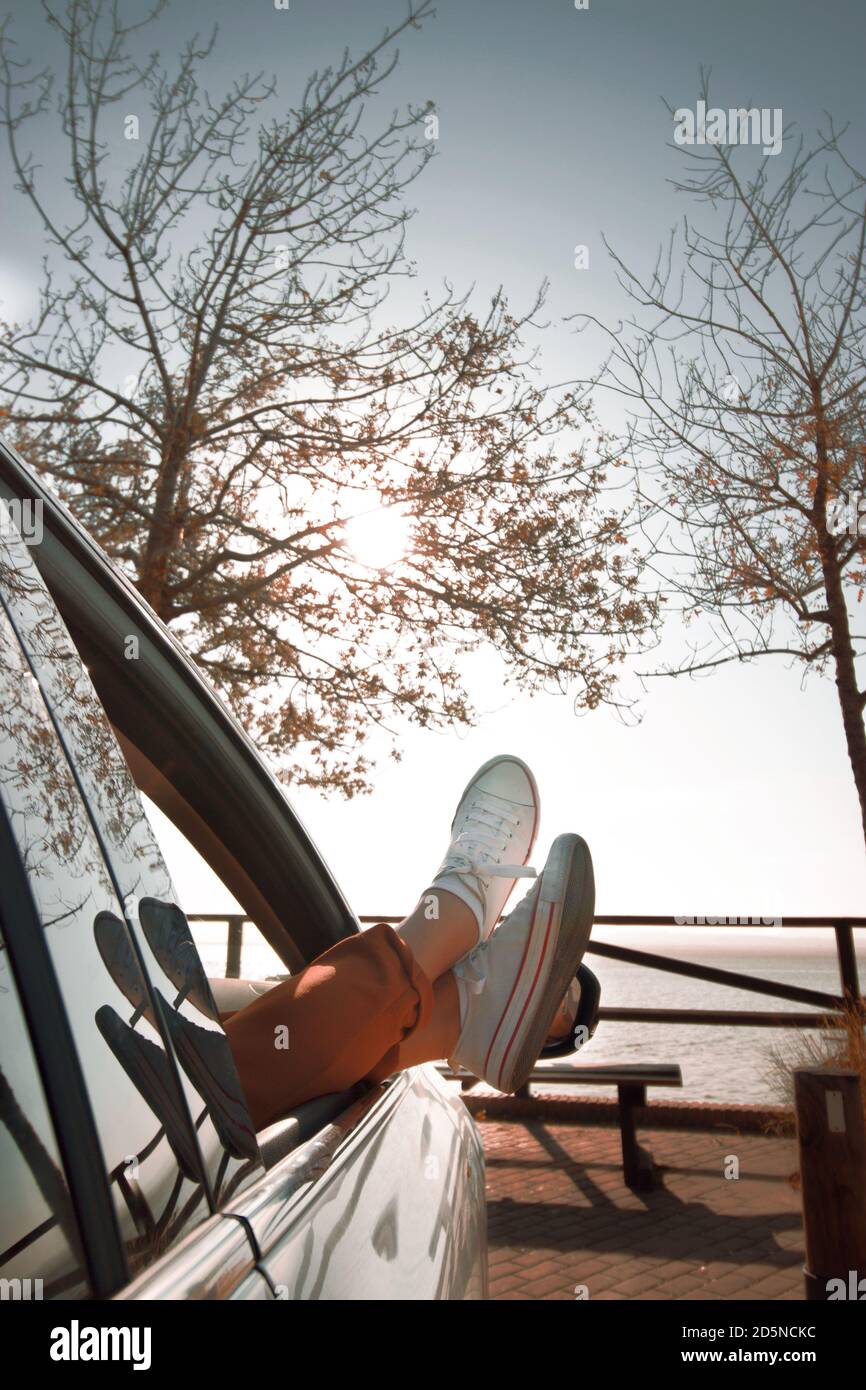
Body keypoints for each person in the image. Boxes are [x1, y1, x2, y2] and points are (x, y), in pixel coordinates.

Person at [224, 755, 598, 1133]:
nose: (562, 1001)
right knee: (217, 1072)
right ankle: (456, 980)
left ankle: (453, 931)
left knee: (217, 1054)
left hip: (185, 1111)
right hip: (190, 1122)